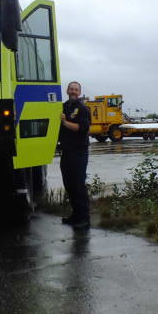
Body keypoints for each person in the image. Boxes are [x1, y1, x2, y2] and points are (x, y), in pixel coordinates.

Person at [59, 80, 91, 230]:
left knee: (78, 185)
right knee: (69, 184)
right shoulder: (63, 107)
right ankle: (75, 215)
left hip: (79, 152)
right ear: (67, 90)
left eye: (76, 90)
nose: (73, 91)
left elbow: (82, 128)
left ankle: (84, 218)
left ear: (79, 92)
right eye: (71, 89)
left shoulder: (83, 109)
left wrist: (65, 123)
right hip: (66, 152)